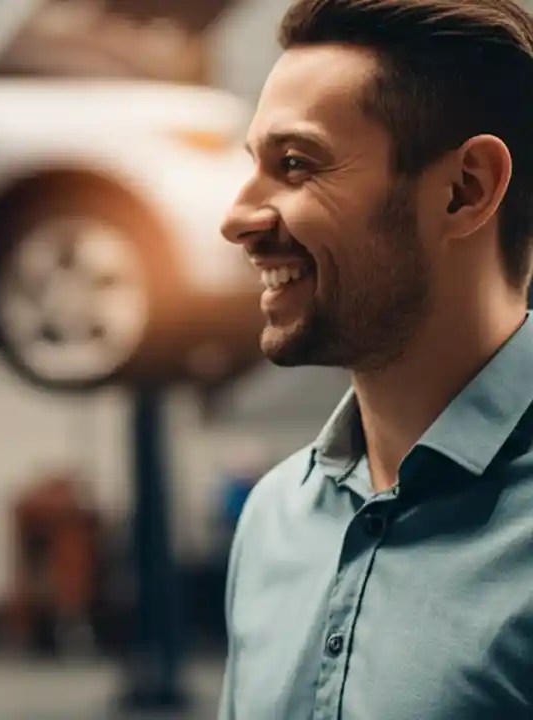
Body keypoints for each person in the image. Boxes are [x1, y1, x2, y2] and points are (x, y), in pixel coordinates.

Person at [217, 0, 533, 717]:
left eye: (295, 165)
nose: (237, 218)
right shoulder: (273, 520)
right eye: (254, 165)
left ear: (465, 190)